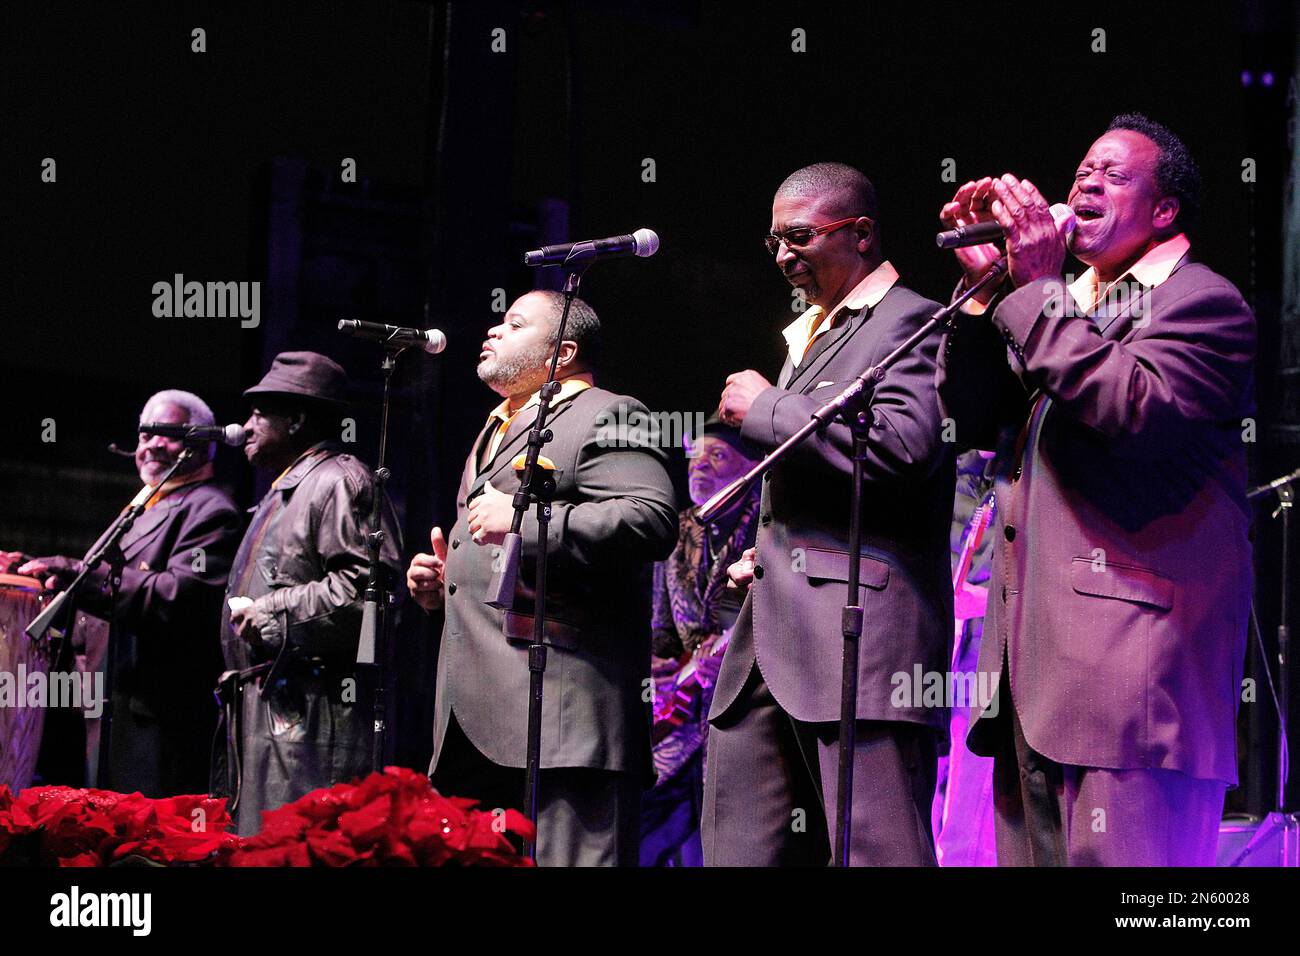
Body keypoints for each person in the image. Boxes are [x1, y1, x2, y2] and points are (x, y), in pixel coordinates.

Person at [936, 113, 1255, 865]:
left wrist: (1039, 289)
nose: (1085, 184)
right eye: (1081, 172)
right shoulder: (1068, 307)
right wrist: (987, 292)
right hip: (1033, 678)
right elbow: (977, 416)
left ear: (1164, 211)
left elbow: (1131, 411)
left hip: (1133, 686)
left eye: (1113, 176)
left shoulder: (1202, 303)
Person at [706, 162, 954, 866]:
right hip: (770, 636)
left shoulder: (916, 322)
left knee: (879, 853)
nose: (784, 256)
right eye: (774, 242)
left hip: (863, 646)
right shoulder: (814, 332)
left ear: (863, 232)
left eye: (800, 237)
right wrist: (772, 548)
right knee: (741, 850)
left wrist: (768, 409)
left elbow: (905, 451)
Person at [406, 290, 677, 866]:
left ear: (562, 353)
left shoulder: (607, 411)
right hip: (473, 717)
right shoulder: (497, 428)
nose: (494, 331)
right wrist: (443, 580)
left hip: (564, 712)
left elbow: (650, 520)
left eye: (515, 323)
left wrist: (524, 522)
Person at [5, 390, 240, 796]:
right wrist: (38, 571)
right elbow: (96, 588)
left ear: (205, 441)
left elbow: (177, 597)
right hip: (103, 706)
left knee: (146, 848)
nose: (150, 445)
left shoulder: (210, 510)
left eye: (167, 434)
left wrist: (77, 572)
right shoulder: (143, 506)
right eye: (145, 434)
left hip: (154, 720)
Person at [212, 351, 401, 836]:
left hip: (311, 719)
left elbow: (368, 595)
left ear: (296, 420)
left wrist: (270, 611)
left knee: (294, 850)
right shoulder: (284, 491)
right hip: (273, 713)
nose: (246, 426)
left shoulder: (339, 481)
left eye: (260, 414)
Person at [641, 417, 761, 867]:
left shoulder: (766, 525)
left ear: (752, 464)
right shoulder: (677, 529)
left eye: (718, 456)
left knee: (731, 832)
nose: (700, 466)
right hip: (684, 711)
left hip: (744, 706)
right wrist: (663, 666)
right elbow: (662, 627)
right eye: (695, 456)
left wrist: (733, 657)